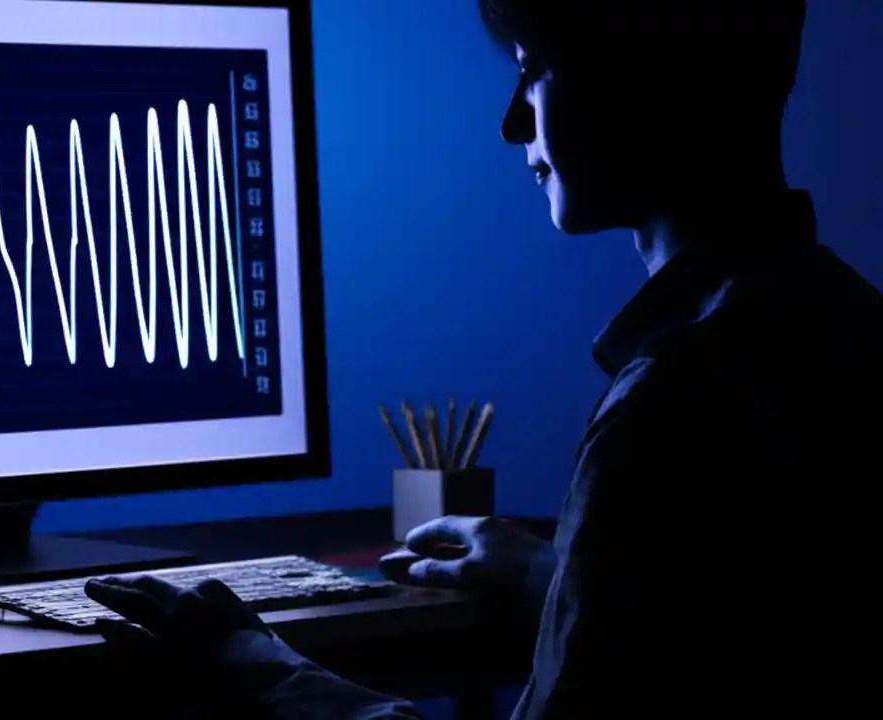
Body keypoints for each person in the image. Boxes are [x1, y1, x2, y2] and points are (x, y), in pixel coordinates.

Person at [85, 0, 883, 717]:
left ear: (641, 86)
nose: (511, 123)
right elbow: (734, 621)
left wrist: (250, 655)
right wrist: (557, 570)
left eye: (533, 73)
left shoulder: (672, 406)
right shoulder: (846, 323)